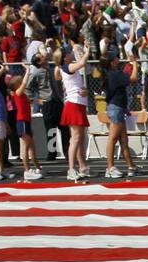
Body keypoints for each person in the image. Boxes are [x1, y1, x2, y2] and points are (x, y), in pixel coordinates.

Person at [102, 49, 139, 179]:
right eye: (116, 58)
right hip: (116, 108)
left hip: (117, 108)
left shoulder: (110, 74)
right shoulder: (115, 74)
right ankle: (110, 168)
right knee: (112, 139)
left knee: (124, 140)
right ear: (112, 63)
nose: (118, 59)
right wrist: (135, 64)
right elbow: (133, 78)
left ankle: (131, 166)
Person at [57, 40, 91, 180]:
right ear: (65, 57)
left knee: (80, 138)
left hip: (78, 103)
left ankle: (82, 167)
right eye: (69, 53)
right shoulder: (67, 66)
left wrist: (85, 91)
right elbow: (82, 63)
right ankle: (71, 169)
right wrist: (87, 51)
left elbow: (76, 86)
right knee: (75, 138)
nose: (71, 53)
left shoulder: (68, 67)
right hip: (74, 104)